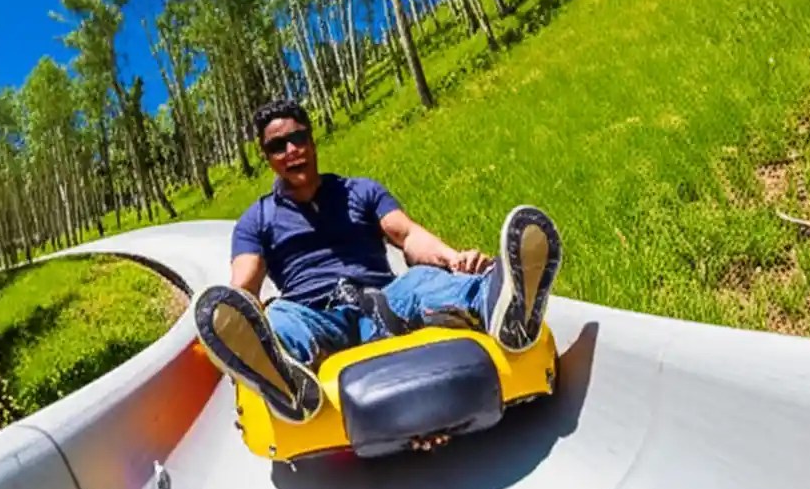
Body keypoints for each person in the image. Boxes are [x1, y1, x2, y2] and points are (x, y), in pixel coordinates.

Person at [192, 98, 562, 423]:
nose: (291, 150)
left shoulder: (361, 190)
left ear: (312, 139)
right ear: (268, 158)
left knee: (422, 279)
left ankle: (499, 307)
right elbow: (245, 286)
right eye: (277, 146)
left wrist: (453, 258)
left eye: (298, 138)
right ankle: (281, 376)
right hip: (313, 312)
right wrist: (236, 320)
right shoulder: (256, 220)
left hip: (383, 298)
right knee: (278, 317)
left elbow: (407, 235)